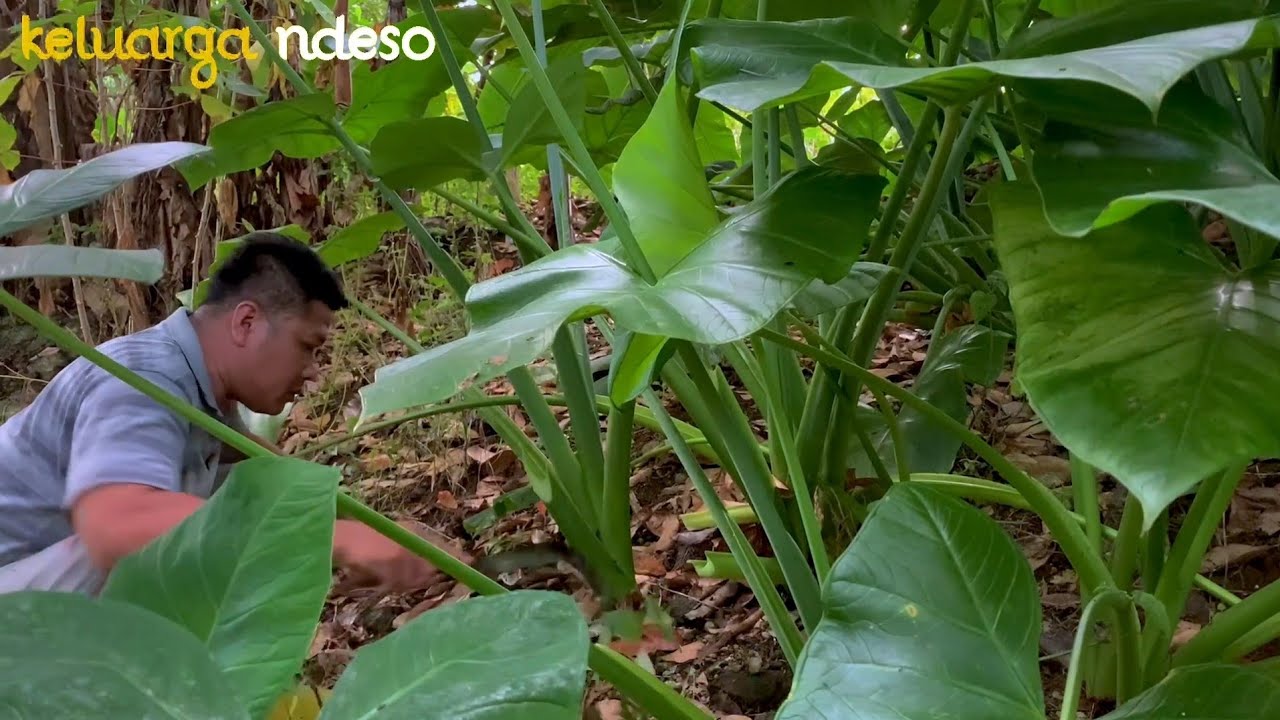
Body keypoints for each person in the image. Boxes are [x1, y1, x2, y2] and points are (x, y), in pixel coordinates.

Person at [0, 231, 444, 595]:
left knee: (232, 494)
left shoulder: (199, 383)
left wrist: (384, 536)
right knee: (140, 539)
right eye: (307, 348)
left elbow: (271, 476)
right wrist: (337, 541)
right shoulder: (145, 376)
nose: (312, 374)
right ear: (246, 323)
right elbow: (115, 525)